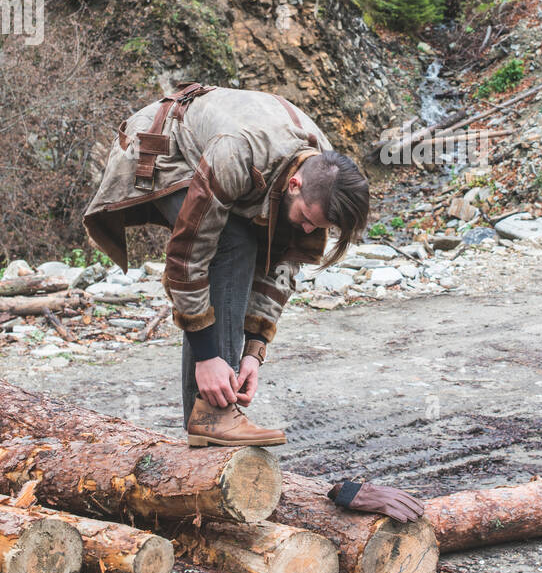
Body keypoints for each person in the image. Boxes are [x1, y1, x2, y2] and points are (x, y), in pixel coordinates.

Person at [84, 81, 424, 523]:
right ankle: (210, 419)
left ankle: (214, 423)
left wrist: (253, 352)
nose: (306, 230)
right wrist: (208, 357)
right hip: (166, 152)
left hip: (235, 167)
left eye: (314, 227)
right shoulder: (239, 154)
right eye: (304, 218)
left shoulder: (321, 182)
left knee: (246, 247)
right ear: (296, 184)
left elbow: (281, 269)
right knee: (231, 244)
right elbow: (188, 256)